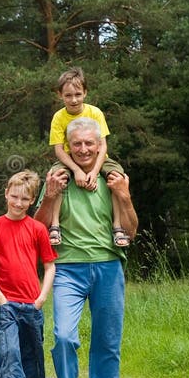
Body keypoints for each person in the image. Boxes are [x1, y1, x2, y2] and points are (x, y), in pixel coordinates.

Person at [35, 117, 137, 378]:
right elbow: (37, 229)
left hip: (108, 266)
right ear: (68, 146)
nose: (83, 149)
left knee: (107, 340)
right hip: (67, 267)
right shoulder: (58, 178)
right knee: (64, 337)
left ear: (99, 145)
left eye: (89, 143)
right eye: (76, 144)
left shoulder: (113, 179)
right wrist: (50, 195)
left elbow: (131, 231)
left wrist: (124, 196)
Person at [0, 171, 56, 378]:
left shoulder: (37, 228)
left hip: (32, 304)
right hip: (7, 306)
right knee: (9, 354)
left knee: (30, 355)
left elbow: (50, 266)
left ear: (32, 200)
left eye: (25, 199)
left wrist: (42, 297)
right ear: (6, 193)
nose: (18, 202)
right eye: (14, 196)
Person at [48, 67, 130, 249]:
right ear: (60, 95)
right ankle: (55, 225)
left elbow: (103, 145)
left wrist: (94, 172)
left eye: (78, 94)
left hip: (98, 157)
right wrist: (76, 170)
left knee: (117, 177)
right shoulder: (58, 117)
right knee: (56, 177)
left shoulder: (95, 112)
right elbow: (59, 150)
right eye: (68, 95)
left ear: (85, 93)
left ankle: (117, 227)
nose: (74, 100)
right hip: (70, 158)